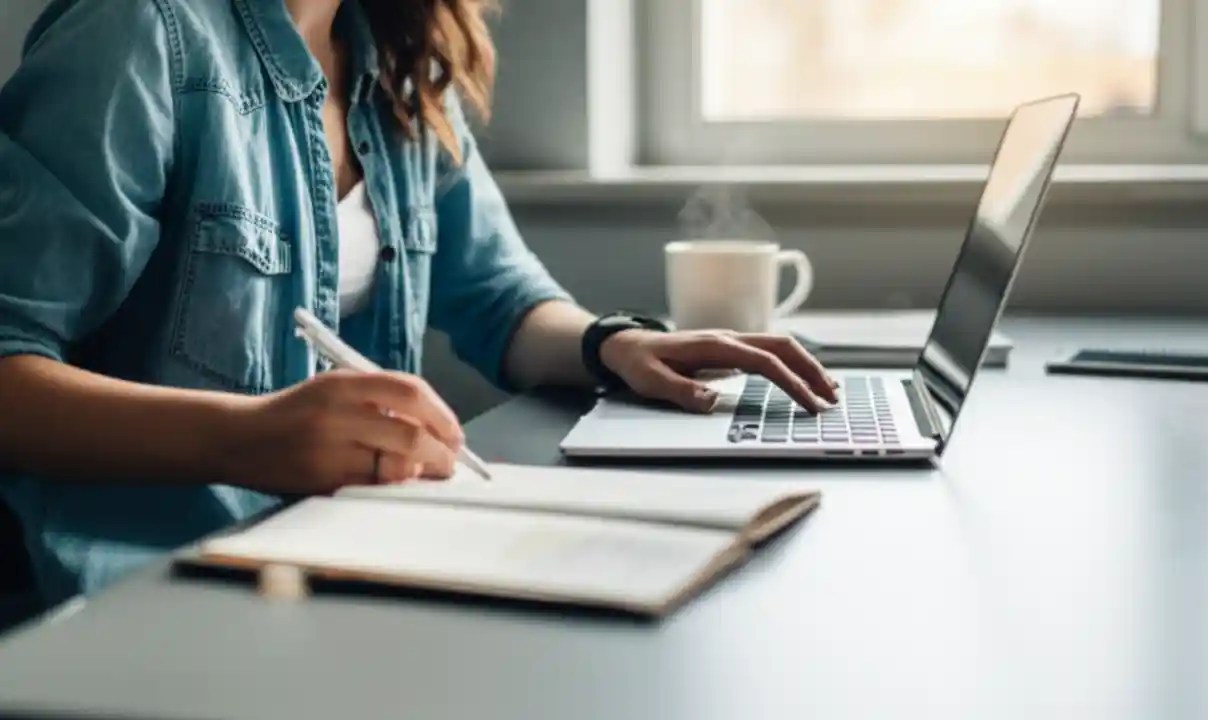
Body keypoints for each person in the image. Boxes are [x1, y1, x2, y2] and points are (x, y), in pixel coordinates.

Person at [0, 0, 837, 608]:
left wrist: (610, 344)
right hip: (135, 591)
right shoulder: (137, 33)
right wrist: (248, 437)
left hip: (338, 565)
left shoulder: (399, 58)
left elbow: (500, 295)